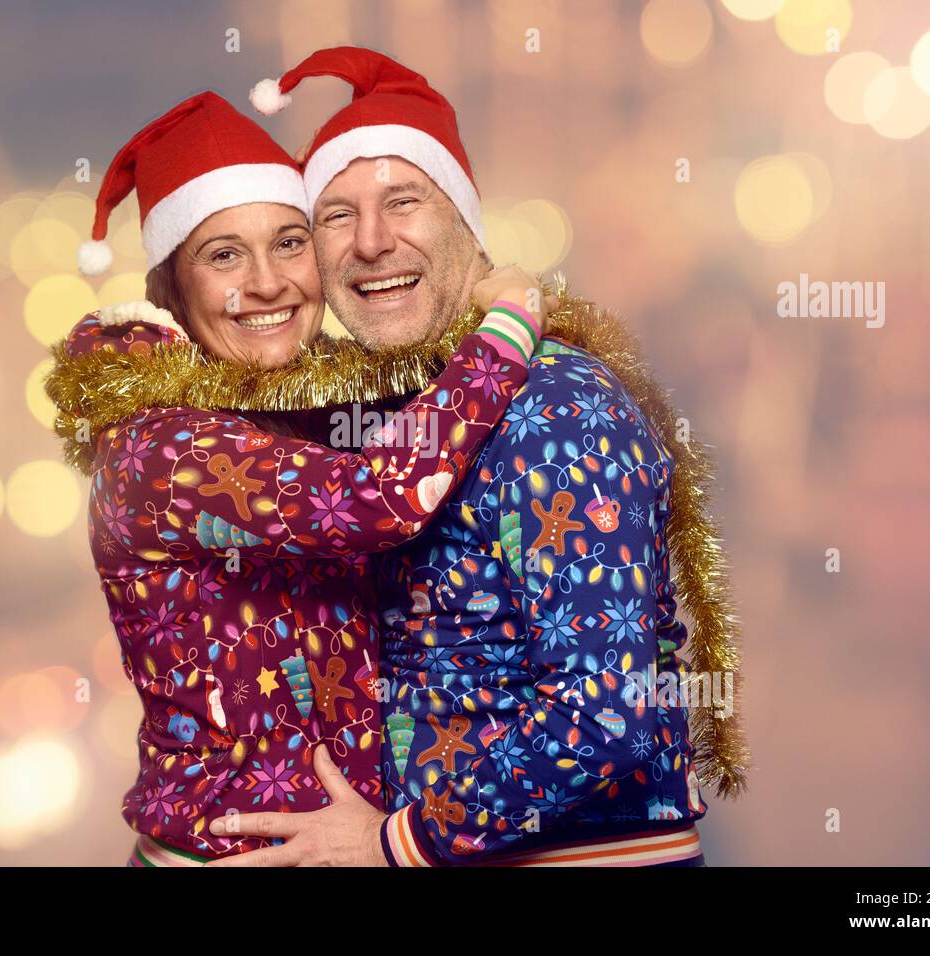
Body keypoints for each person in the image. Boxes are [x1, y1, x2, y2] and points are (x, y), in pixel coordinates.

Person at [210, 47, 748, 867]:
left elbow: (608, 707)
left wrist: (399, 841)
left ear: (465, 220)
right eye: (335, 216)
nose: (372, 242)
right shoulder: (400, 415)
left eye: (403, 201)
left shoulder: (558, 408)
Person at [46, 90, 553, 866]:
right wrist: (509, 323)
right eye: (223, 255)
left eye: (289, 243)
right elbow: (379, 499)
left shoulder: (297, 414)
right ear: (171, 292)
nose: (268, 282)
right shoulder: (163, 449)